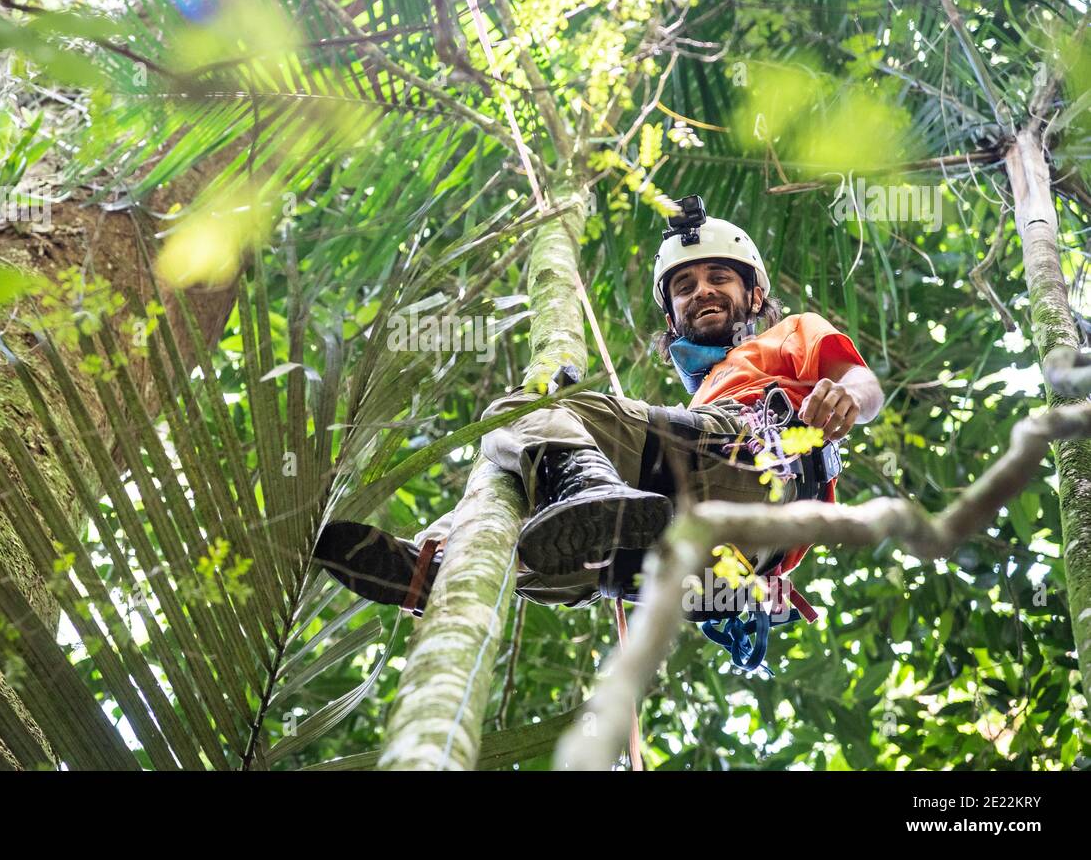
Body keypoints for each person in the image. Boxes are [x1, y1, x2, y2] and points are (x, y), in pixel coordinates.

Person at [315, 199, 884, 618]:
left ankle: (586, 486)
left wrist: (844, 399)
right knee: (548, 548)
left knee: (519, 410)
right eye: (684, 286)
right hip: (729, 563)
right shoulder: (706, 389)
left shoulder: (786, 335)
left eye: (718, 278)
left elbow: (861, 381)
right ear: (673, 315)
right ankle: (437, 567)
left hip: (760, 461)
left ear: (754, 294)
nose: (703, 291)